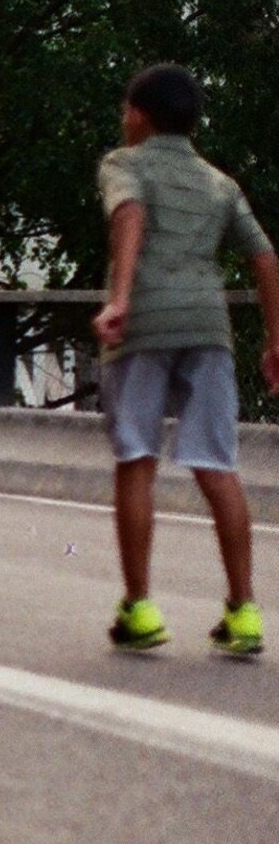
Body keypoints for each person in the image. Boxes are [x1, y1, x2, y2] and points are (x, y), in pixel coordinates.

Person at [90, 65, 279, 656]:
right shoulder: (220, 183)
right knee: (216, 463)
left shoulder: (125, 163)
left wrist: (120, 298)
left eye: (126, 110)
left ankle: (140, 608)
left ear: (139, 116)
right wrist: (275, 340)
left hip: (144, 324)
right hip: (207, 329)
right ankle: (244, 613)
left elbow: (129, 215)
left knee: (138, 457)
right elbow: (266, 257)